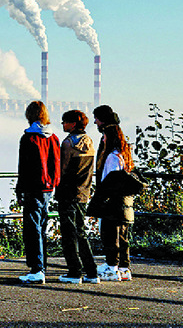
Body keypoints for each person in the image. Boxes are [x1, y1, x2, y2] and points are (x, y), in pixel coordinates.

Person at [15, 100, 60, 284]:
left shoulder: (28, 138)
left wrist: (20, 189)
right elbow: (56, 162)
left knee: (32, 227)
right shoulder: (53, 137)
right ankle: (42, 266)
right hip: (48, 187)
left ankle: (37, 269)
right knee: (42, 225)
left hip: (33, 187)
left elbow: (23, 167)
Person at [55, 110, 100, 284]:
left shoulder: (67, 144)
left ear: (73, 124)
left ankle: (74, 271)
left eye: (65, 121)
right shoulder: (89, 142)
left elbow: (62, 170)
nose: (62, 124)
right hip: (83, 192)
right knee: (81, 231)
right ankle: (91, 271)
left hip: (67, 193)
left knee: (68, 234)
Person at [90, 124, 138, 282]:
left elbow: (110, 181)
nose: (102, 139)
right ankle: (124, 268)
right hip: (125, 203)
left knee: (110, 236)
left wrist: (100, 200)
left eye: (104, 136)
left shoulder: (112, 157)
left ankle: (112, 268)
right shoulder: (126, 155)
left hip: (113, 203)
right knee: (123, 237)